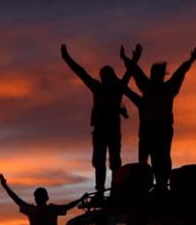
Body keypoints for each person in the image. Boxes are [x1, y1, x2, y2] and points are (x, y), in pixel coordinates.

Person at [61, 43, 142, 193]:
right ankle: (108, 190)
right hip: (107, 130)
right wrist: (135, 58)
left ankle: (107, 190)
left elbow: (82, 72)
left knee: (107, 162)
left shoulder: (100, 88)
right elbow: (128, 73)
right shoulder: (113, 88)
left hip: (106, 130)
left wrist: (66, 57)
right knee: (108, 162)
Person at [120, 45, 196, 191]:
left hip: (159, 126)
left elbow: (137, 72)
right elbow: (179, 73)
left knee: (159, 156)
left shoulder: (154, 88)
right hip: (159, 126)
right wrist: (190, 61)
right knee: (159, 156)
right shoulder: (163, 88)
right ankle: (158, 184)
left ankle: (160, 184)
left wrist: (127, 59)